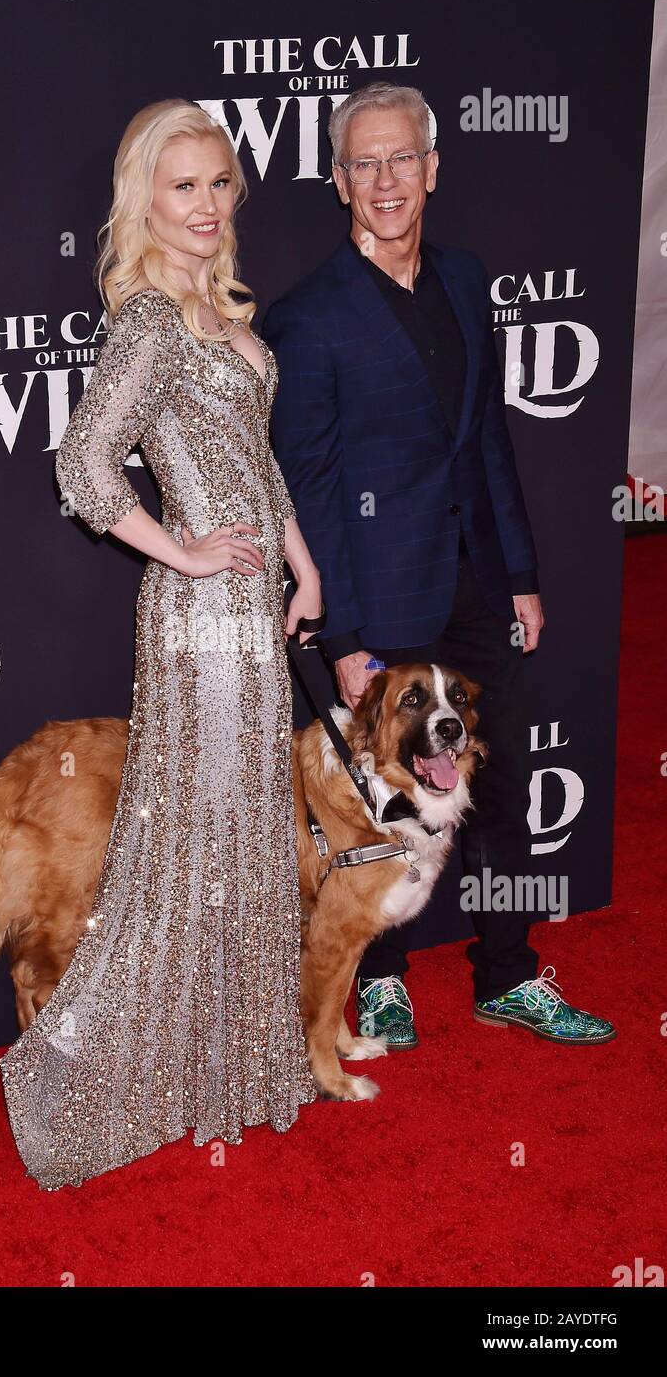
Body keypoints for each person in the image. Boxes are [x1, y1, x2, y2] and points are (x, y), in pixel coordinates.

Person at [0, 99, 323, 1190]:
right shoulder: (146, 319)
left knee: (236, 840)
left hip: (254, 614)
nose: (204, 204)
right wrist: (180, 553)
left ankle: (221, 1062)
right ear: (145, 198)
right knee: (200, 843)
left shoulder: (223, 314)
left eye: (218, 182)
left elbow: (259, 463)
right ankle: (153, 1067)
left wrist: (303, 560)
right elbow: (85, 467)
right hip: (200, 626)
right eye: (181, 186)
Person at [262, 82, 614, 1049]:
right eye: (363, 163)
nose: (386, 180)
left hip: (473, 591)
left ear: (432, 167)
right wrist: (343, 642)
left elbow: (486, 444)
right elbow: (310, 488)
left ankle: (505, 971)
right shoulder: (310, 318)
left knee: (494, 786)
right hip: (380, 608)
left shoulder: (465, 280)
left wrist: (520, 576)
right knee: (382, 802)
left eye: (401, 157)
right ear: (339, 183)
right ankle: (380, 980)